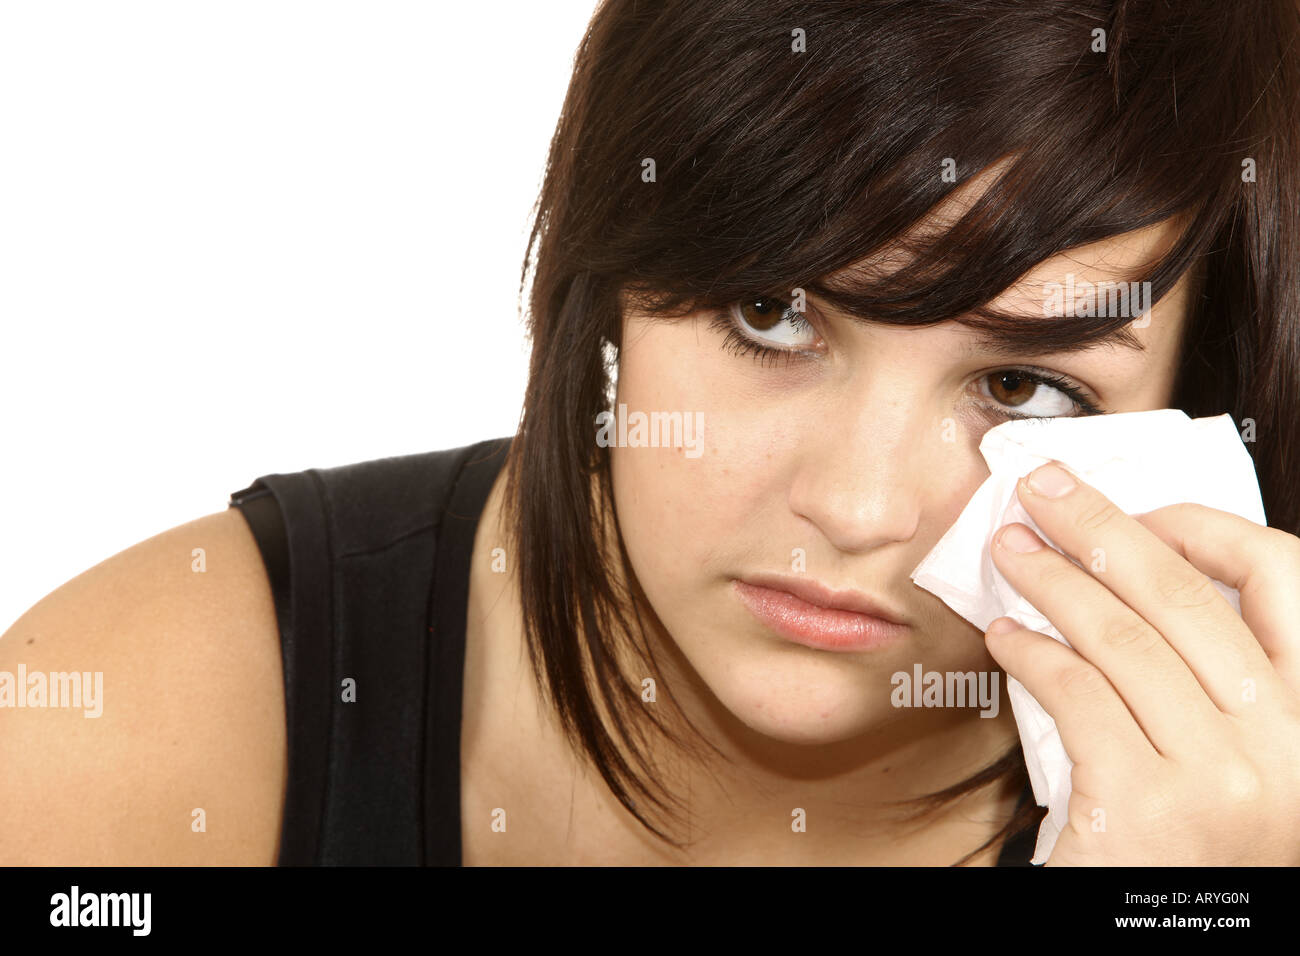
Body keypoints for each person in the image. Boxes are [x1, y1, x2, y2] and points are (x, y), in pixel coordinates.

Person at [4, 0, 1299, 867]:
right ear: (602, 295)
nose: (856, 506)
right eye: (772, 316)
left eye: (1022, 391)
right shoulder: (123, 738)